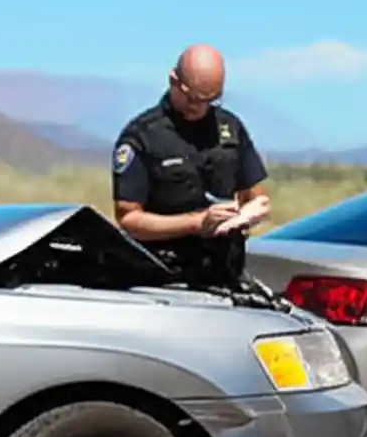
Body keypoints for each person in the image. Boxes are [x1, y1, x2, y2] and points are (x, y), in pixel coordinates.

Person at [110, 43, 271, 286]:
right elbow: (129, 219)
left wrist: (245, 216)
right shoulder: (142, 136)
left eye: (210, 100)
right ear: (174, 81)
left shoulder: (230, 129)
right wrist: (197, 224)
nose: (200, 107)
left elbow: (256, 196)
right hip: (165, 278)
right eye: (193, 98)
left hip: (226, 275)